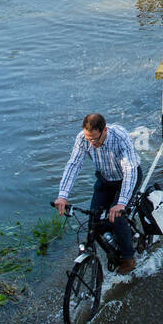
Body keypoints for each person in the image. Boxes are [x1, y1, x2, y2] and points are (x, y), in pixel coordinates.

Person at [53, 113, 143, 273]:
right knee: (94, 220)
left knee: (117, 216)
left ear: (105, 130)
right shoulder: (83, 138)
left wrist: (121, 203)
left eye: (95, 139)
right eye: (88, 139)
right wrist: (63, 195)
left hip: (127, 178)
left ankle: (129, 259)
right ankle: (113, 247)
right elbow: (74, 164)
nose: (92, 143)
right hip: (105, 179)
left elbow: (129, 170)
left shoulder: (120, 137)